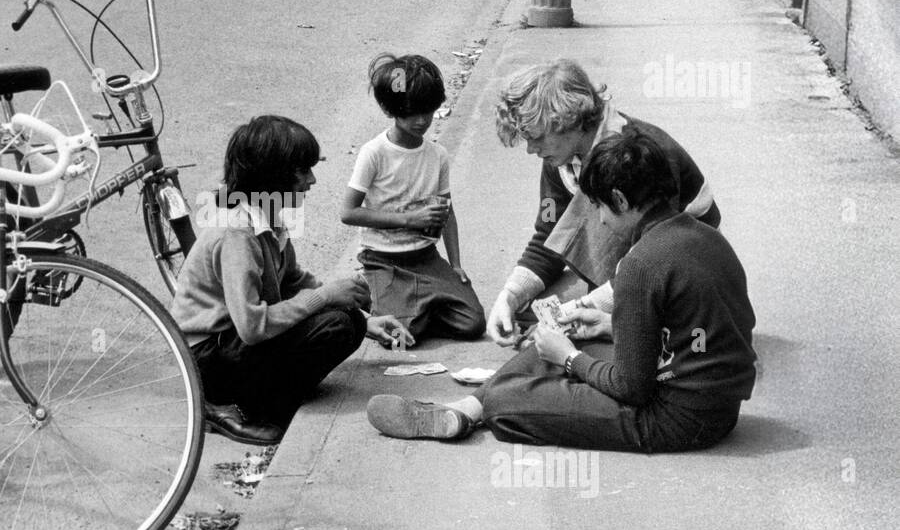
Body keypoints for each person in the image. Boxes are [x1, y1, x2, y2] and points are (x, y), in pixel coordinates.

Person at [367, 128, 757, 452]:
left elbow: (631, 389)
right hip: (718, 406)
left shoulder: (641, 263)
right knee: (558, 342)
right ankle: (465, 409)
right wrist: (607, 325)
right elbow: (695, 331)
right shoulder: (707, 238)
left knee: (511, 399)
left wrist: (570, 359)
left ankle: (480, 407)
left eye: (600, 209)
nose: (601, 222)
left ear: (620, 199)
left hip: (677, 420)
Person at [171, 115, 410, 446]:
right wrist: (326, 296)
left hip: (231, 347)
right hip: (208, 360)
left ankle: (269, 390)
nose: (311, 180)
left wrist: (367, 320)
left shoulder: (266, 216)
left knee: (350, 322)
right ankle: (236, 406)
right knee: (336, 324)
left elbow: (293, 281)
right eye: (303, 170)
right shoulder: (238, 232)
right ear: (272, 175)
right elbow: (252, 327)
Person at [483, 59, 719, 349]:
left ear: (567, 119)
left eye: (537, 138)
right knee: (531, 310)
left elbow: (655, 258)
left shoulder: (640, 156)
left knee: (589, 333)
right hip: (636, 251)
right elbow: (549, 235)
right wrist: (508, 296)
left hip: (685, 257)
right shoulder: (559, 160)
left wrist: (575, 311)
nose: (531, 150)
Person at [340, 54, 485, 343]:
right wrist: (407, 219)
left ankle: (416, 303)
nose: (421, 121)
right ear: (391, 109)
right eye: (411, 113)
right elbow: (348, 212)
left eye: (428, 112)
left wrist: (455, 264)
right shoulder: (375, 153)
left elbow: (447, 212)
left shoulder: (437, 155)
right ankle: (370, 291)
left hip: (425, 257)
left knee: (473, 323)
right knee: (403, 335)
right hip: (383, 258)